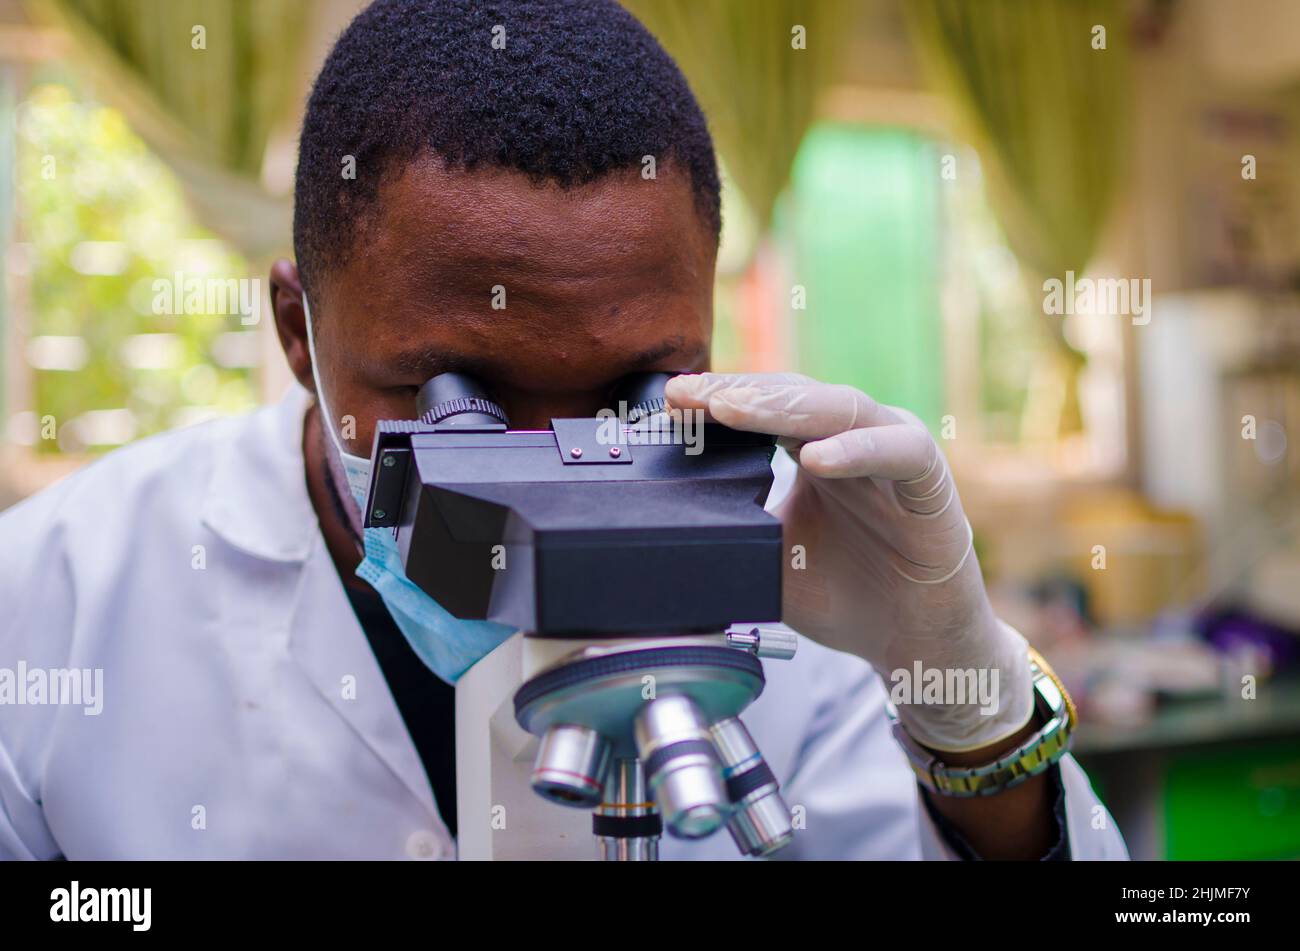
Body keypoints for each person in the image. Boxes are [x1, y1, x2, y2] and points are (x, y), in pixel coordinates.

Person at [0, 0, 1126, 861]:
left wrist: (961, 694)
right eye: (460, 397)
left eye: (633, 391)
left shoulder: (794, 591)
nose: (550, 489)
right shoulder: (52, 603)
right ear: (299, 331)